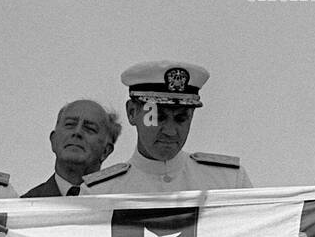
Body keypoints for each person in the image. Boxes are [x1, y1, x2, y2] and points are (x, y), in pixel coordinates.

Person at [81, 60, 253, 193]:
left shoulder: (228, 182)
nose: (170, 131)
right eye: (158, 117)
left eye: (181, 118)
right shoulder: (99, 192)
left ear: (191, 117)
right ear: (132, 112)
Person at [23, 99, 119, 197]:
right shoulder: (25, 206)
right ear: (53, 140)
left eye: (89, 128)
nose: (77, 132)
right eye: (70, 124)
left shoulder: (121, 206)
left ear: (105, 151)